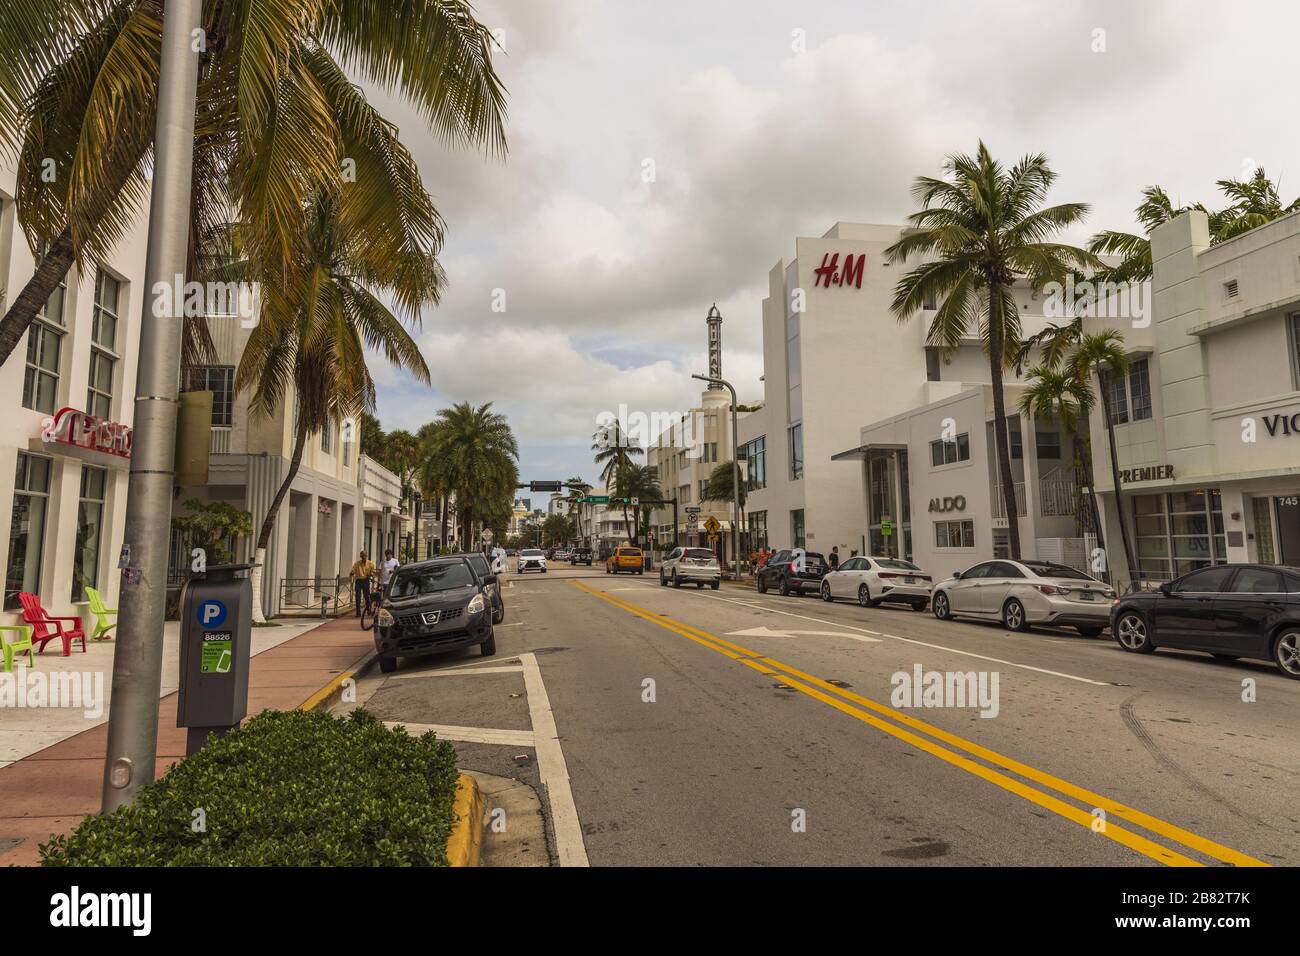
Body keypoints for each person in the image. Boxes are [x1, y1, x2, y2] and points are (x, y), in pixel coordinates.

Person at [349, 550, 376, 617]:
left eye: (364, 556)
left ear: (366, 556)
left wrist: (371, 574)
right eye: (362, 556)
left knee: (367, 597)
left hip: (366, 581)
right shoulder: (357, 563)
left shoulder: (370, 563)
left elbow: (373, 572)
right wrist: (352, 573)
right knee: (358, 596)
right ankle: (358, 612)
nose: (363, 558)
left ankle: (368, 610)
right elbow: (352, 570)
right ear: (361, 557)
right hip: (358, 581)